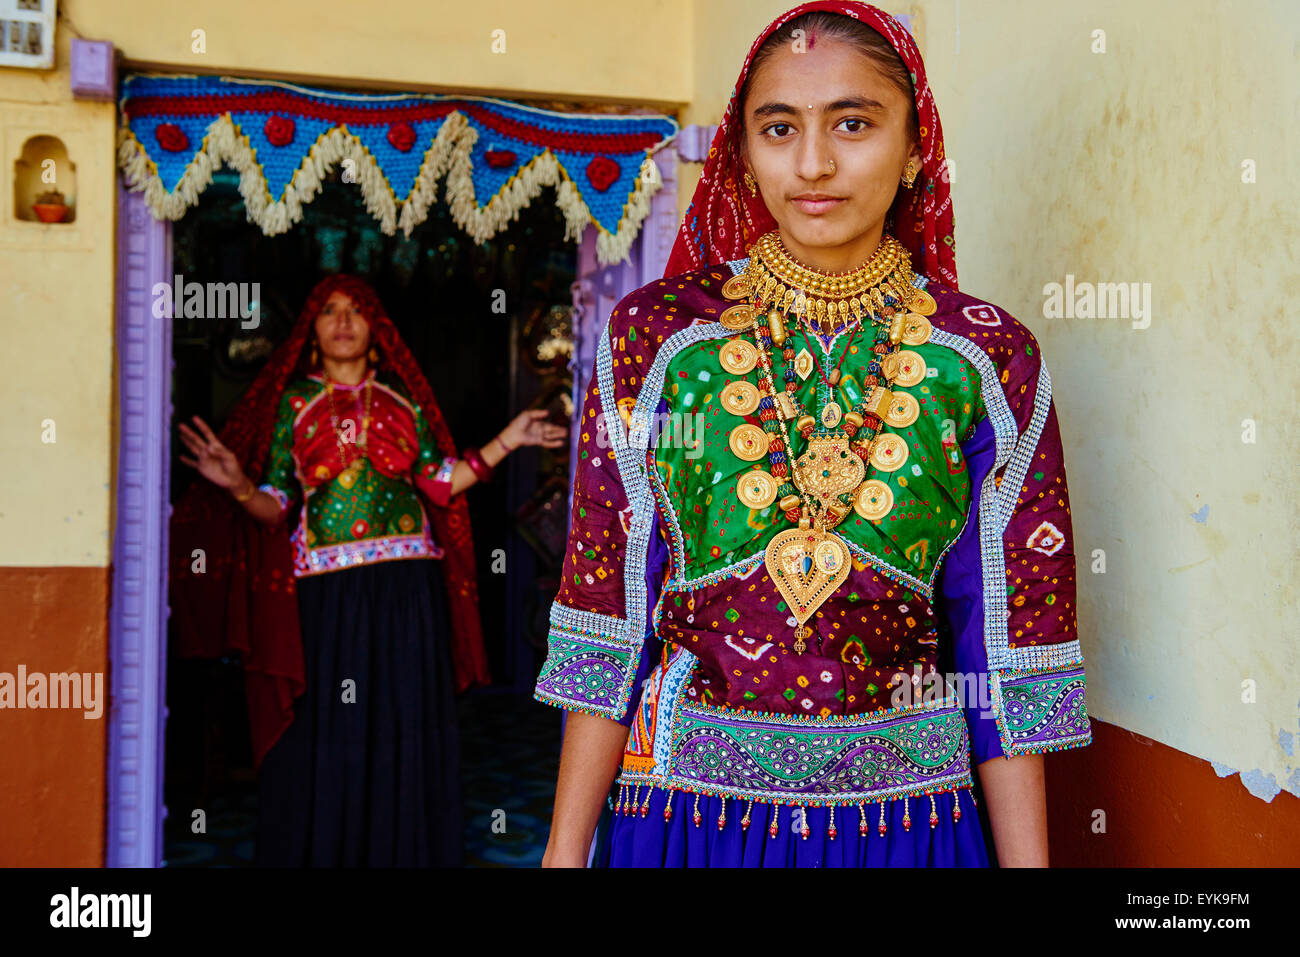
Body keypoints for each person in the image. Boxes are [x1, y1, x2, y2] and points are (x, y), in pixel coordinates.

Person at [535, 1, 1091, 868]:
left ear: (914, 148)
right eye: (778, 127)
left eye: (855, 123)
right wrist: (565, 851)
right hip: (683, 813)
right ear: (742, 152)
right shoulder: (659, 339)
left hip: (906, 819)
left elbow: (1007, 645)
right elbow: (611, 608)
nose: (813, 163)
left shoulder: (985, 357)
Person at [170, 273, 566, 866]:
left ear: (375, 330)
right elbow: (275, 507)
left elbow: (440, 482)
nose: (343, 320)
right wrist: (237, 484)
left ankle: (401, 850)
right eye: (329, 309)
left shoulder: (402, 401)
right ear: (312, 331)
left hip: (407, 588)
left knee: (403, 719)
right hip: (325, 594)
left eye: (355, 310)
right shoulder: (295, 404)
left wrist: (509, 439)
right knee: (330, 723)